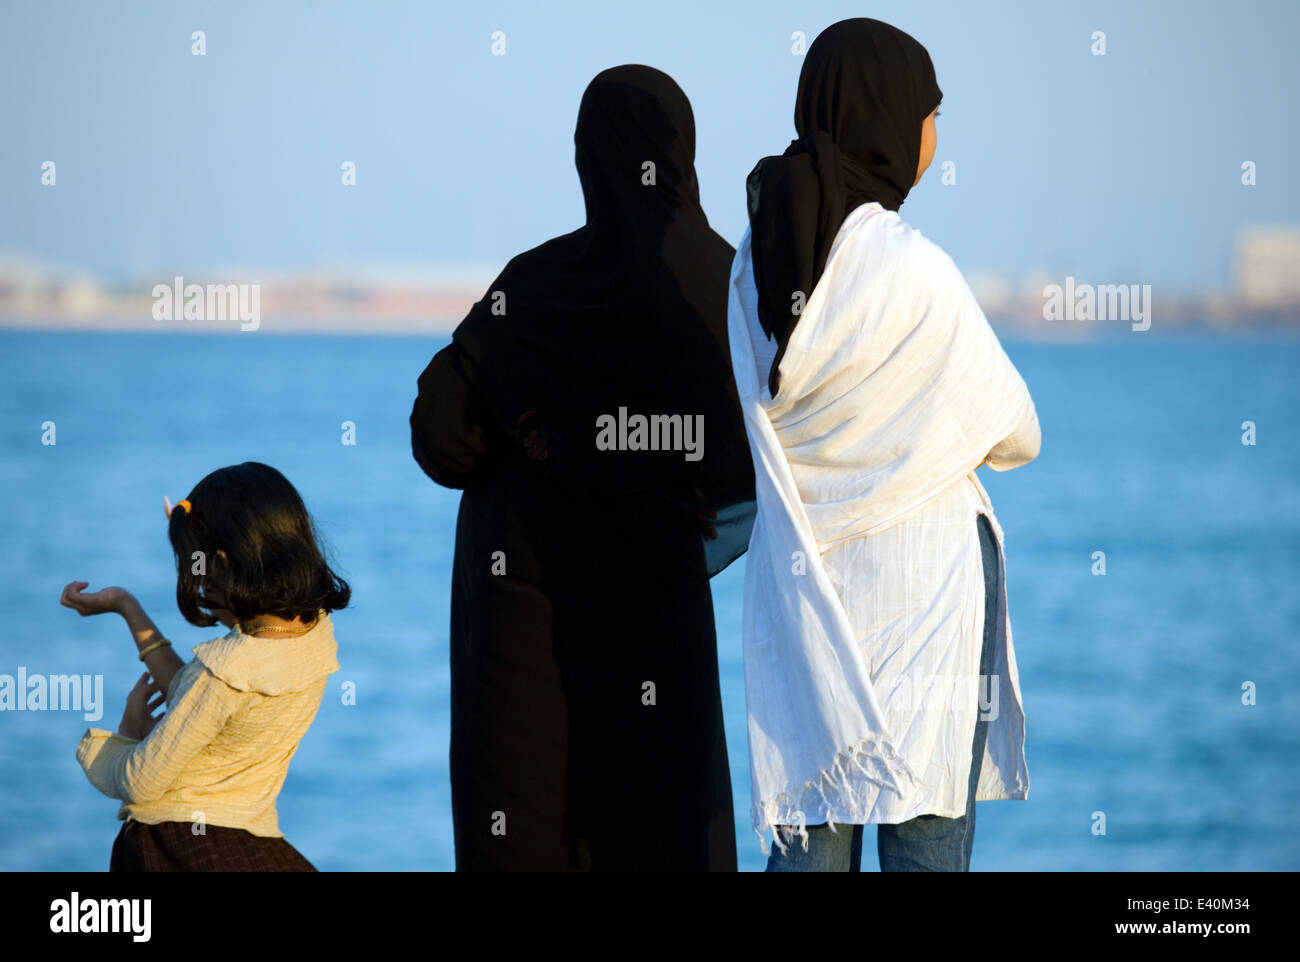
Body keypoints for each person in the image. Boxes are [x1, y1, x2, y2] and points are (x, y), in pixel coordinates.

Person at [410, 65, 755, 871]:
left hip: (524, 637)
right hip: (658, 632)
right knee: (662, 830)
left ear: (586, 161)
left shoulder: (532, 287)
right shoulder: (725, 288)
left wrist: (531, 437)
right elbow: (758, 459)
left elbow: (440, 438)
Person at [728, 18, 1041, 871]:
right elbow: (1017, 433)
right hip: (925, 590)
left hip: (803, 589)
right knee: (927, 836)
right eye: (931, 113)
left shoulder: (754, 261)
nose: (936, 135)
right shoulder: (914, 268)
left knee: (811, 834)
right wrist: (926, 439)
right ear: (893, 116)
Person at [64, 461, 348, 872]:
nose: (199, 586)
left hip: (178, 850)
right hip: (256, 845)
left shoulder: (225, 667)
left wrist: (128, 737)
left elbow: (140, 783)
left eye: (200, 572)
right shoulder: (314, 633)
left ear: (224, 563)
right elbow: (202, 695)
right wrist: (127, 606)